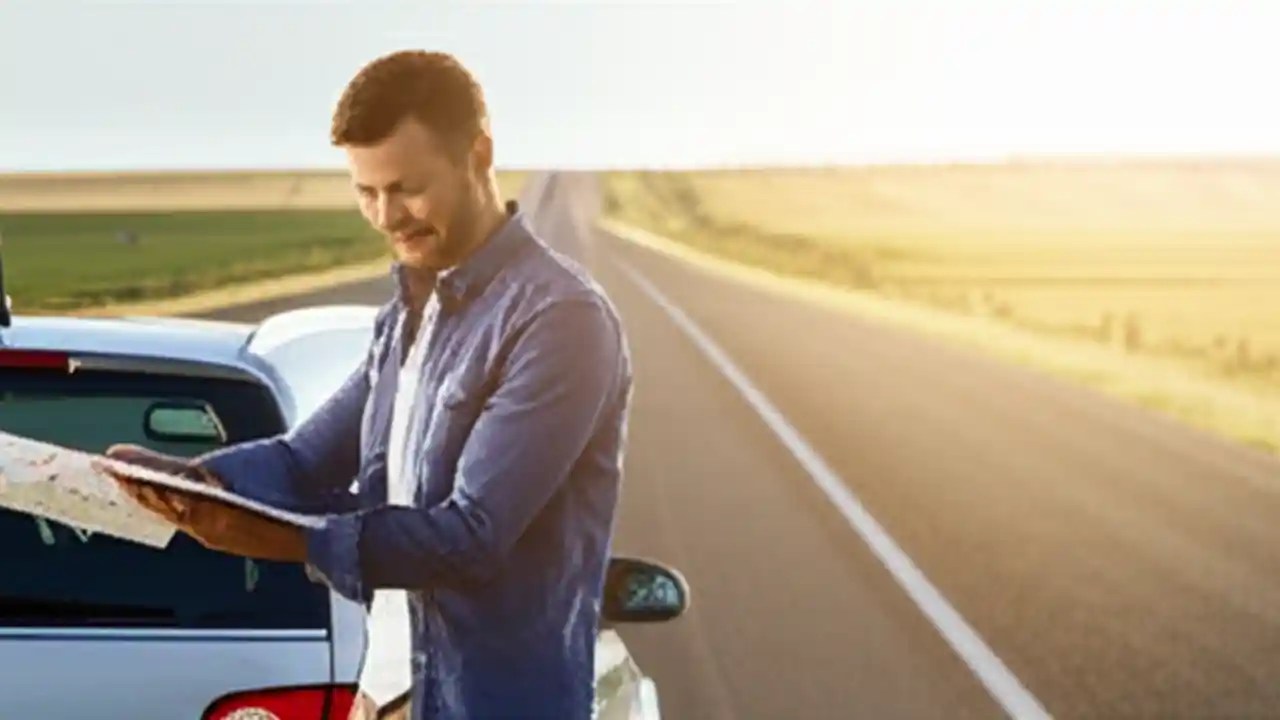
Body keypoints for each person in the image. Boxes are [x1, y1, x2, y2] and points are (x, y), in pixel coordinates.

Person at [103, 49, 633, 720]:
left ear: (479, 154)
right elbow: (302, 458)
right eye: (366, 191)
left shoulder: (560, 320)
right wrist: (196, 483)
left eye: (406, 187)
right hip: (384, 699)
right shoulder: (407, 318)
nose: (386, 215)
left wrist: (289, 540)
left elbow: (471, 537)